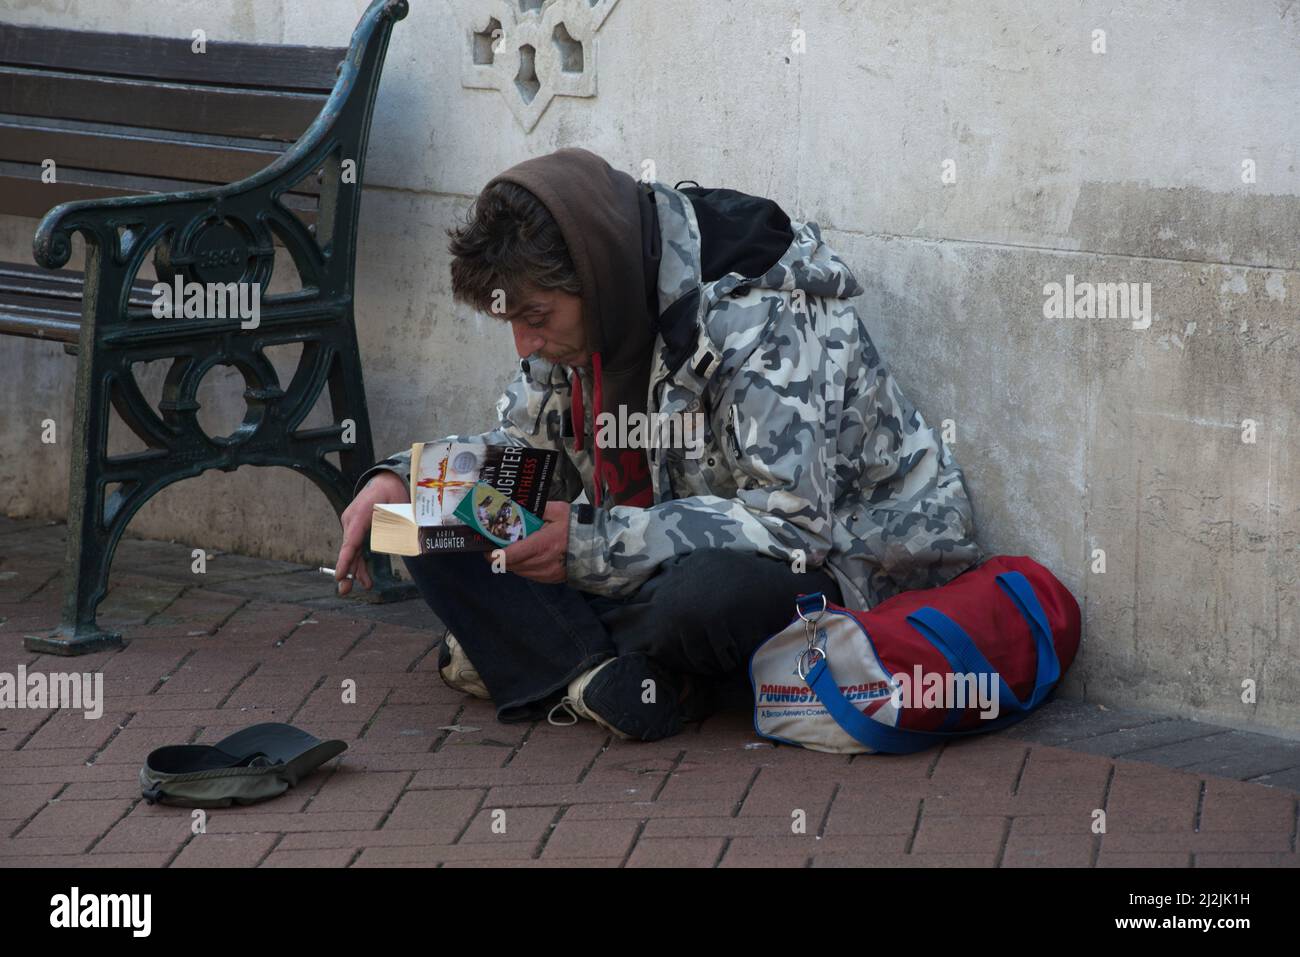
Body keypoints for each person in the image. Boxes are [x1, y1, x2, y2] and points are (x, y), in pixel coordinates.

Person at [334, 148, 981, 742]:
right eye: (513, 322)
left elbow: (793, 528)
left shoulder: (757, 313)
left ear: (594, 276)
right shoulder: (583, 320)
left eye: (535, 319)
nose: (524, 345)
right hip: (658, 542)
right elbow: (526, 457)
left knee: (702, 600)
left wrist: (589, 545)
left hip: (847, 564)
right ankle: (603, 677)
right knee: (417, 522)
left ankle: (547, 652)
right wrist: (404, 481)